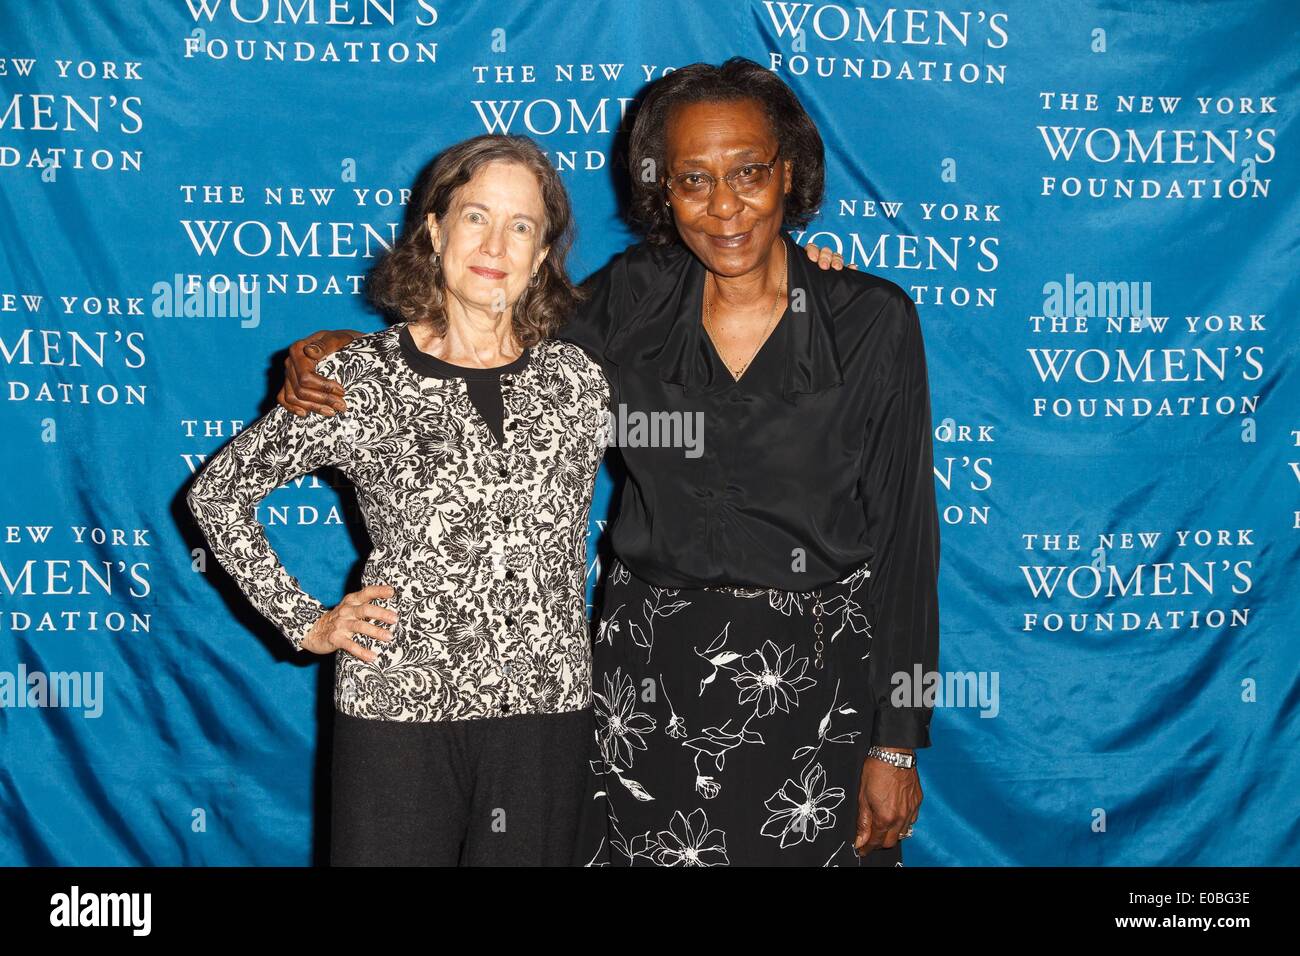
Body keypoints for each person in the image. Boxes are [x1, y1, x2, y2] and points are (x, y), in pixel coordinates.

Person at [280, 57, 940, 868]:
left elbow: (908, 547)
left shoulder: (872, 321)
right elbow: (485, 340)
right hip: (643, 692)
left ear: (790, 174)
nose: (724, 205)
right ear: (662, 192)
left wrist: (898, 743)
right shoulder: (628, 297)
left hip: (813, 696)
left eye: (749, 173)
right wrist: (351, 351)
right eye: (693, 179)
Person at [187, 134, 611, 865]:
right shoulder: (357, 377)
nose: (495, 244)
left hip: (544, 713)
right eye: (475, 217)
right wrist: (308, 622)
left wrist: (812, 273)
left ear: (542, 255)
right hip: (398, 709)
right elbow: (219, 495)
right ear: (436, 229)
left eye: (521, 226)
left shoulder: (577, 379)